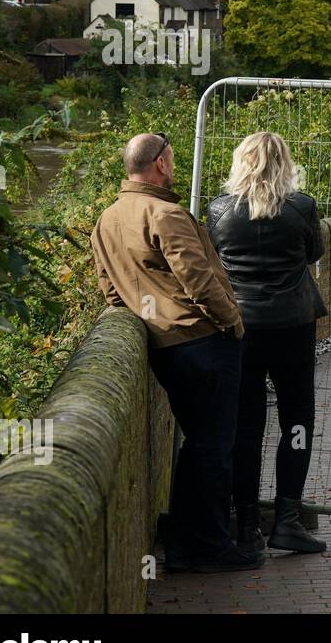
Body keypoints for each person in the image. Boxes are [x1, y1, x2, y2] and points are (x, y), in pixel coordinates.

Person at [90, 133, 259, 573]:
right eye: (172, 159)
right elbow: (199, 280)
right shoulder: (165, 214)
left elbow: (110, 288)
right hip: (201, 341)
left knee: (199, 446)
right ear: (161, 164)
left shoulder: (107, 219)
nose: (175, 166)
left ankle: (187, 545)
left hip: (164, 345)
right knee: (215, 449)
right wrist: (232, 323)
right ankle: (211, 547)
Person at [208, 132, 329, 555]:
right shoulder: (301, 207)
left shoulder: (219, 211)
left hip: (241, 330)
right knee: (296, 422)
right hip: (293, 328)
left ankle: (245, 528)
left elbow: (215, 260)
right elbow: (314, 253)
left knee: (246, 427)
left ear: (241, 162)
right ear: (285, 163)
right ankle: (288, 521)